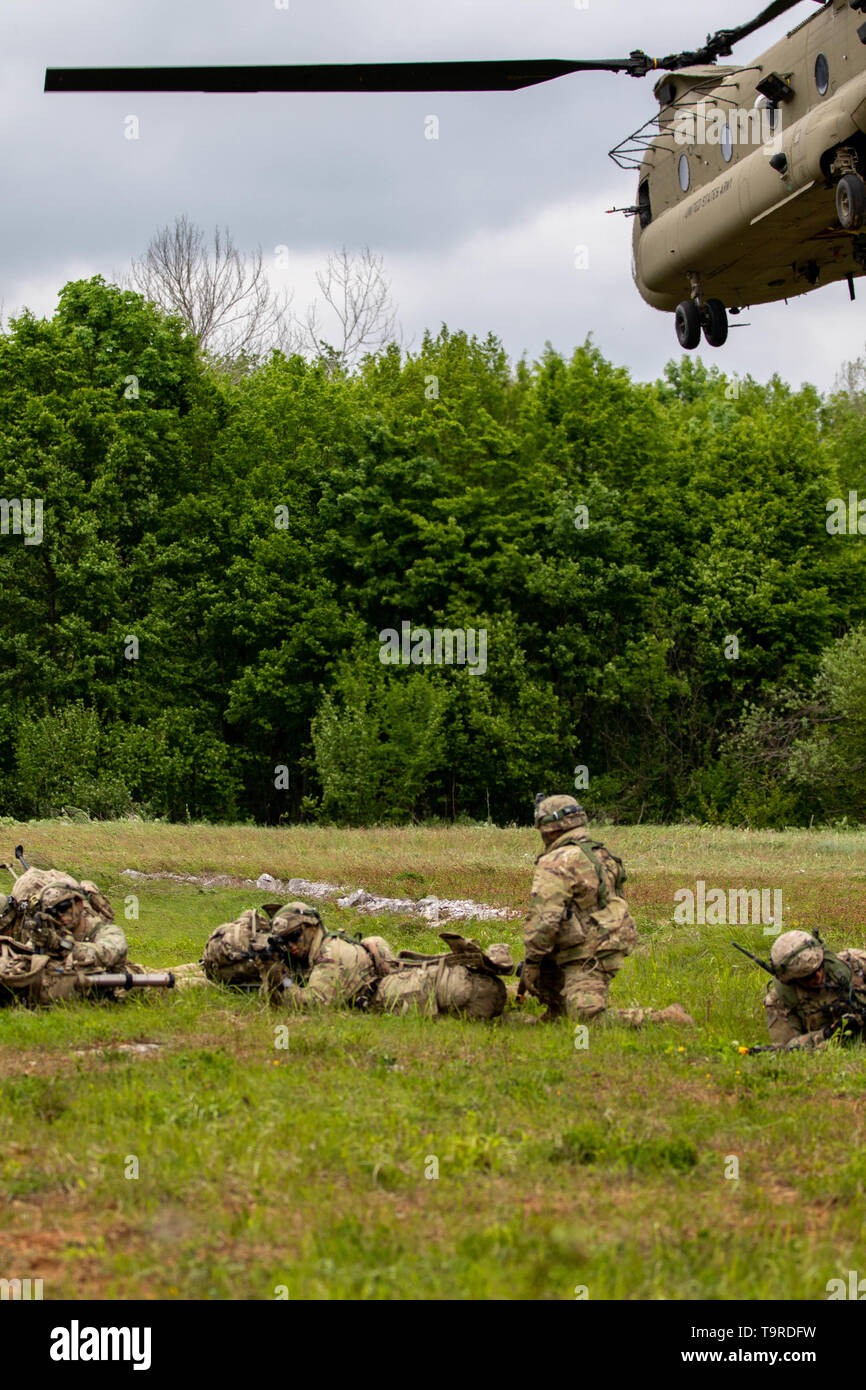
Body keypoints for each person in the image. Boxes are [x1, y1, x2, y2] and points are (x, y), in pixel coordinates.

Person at [521, 794, 693, 1026]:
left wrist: (531, 962)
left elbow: (544, 919)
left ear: (548, 829)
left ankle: (665, 1019)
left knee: (586, 1018)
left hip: (590, 950)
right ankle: (557, 1012)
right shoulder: (599, 853)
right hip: (606, 938)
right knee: (549, 978)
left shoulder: (557, 861)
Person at [754, 930, 866, 1051]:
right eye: (808, 977)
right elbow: (787, 1049)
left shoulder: (855, 963)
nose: (818, 976)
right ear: (791, 979)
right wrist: (830, 1033)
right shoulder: (780, 1000)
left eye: (820, 967)